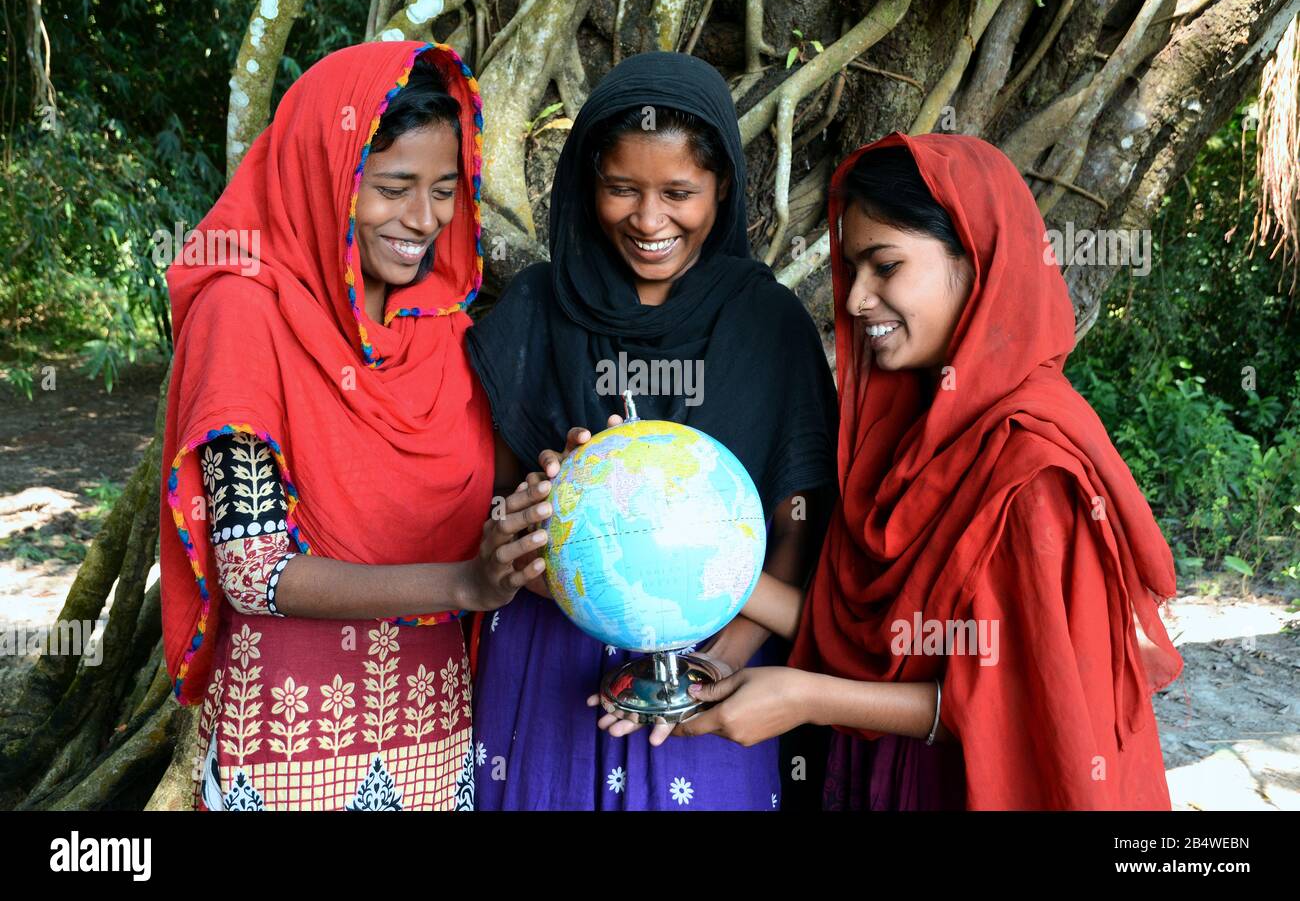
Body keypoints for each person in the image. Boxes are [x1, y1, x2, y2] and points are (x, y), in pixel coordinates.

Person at [676, 133, 1185, 810]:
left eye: (885, 266)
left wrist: (806, 697)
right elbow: (853, 628)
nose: (855, 300)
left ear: (977, 263)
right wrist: (673, 542)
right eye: (852, 269)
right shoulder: (903, 442)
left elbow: (1029, 705)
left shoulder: (1036, 470)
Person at [160, 41, 549, 811]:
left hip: (433, 729)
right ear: (328, 174)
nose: (424, 219)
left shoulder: (441, 329)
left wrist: (545, 507)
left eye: (443, 190)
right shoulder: (244, 313)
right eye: (395, 187)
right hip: (293, 740)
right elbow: (253, 572)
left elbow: (484, 499)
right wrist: (465, 583)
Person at [464, 51, 838, 810]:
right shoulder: (537, 309)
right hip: (549, 664)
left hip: (720, 672)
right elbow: (496, 505)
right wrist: (545, 517)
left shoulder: (767, 324)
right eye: (620, 189)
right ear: (585, 183)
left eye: (679, 192)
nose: (648, 219)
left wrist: (714, 667)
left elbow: (796, 528)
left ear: (722, 186)